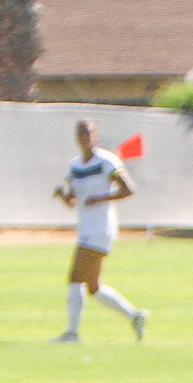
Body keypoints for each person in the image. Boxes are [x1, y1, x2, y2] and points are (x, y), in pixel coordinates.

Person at [52, 119, 148, 344]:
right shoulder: (75, 165)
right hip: (86, 228)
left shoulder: (106, 161)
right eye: (81, 133)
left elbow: (128, 189)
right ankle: (135, 316)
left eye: (88, 133)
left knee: (75, 278)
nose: (85, 137)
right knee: (93, 287)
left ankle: (72, 333)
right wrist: (62, 196)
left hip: (101, 228)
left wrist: (102, 198)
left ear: (96, 136)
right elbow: (73, 201)